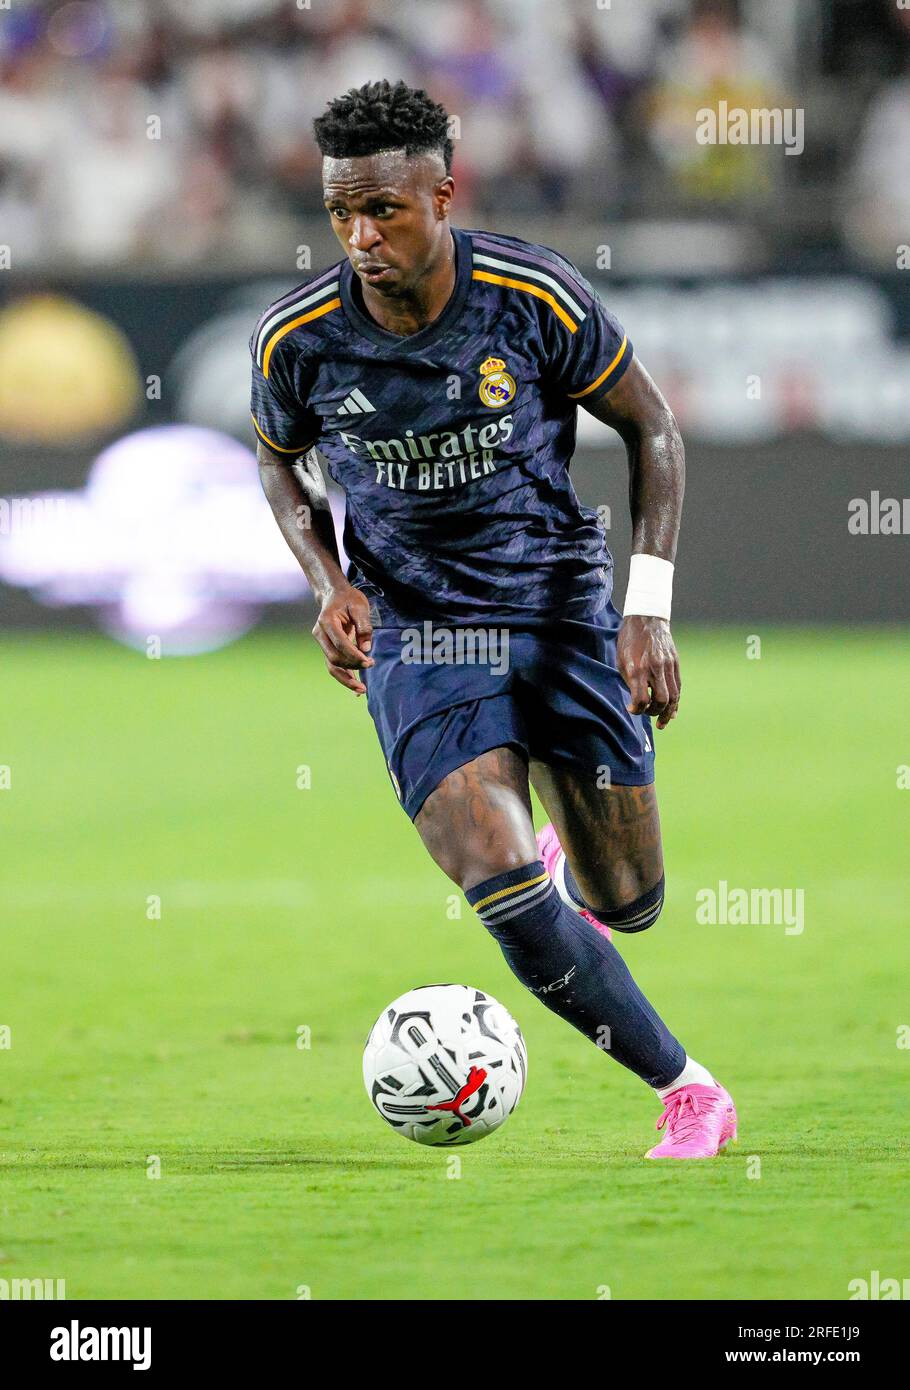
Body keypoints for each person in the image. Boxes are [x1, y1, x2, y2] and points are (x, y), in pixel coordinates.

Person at [252, 79, 736, 1158]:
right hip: (418, 631)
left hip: (558, 606)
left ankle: (575, 866)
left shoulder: (531, 295)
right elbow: (277, 459)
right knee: (503, 886)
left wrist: (646, 610)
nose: (360, 236)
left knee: (633, 897)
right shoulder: (301, 339)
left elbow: (651, 425)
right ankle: (687, 1087)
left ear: (443, 194)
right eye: (339, 214)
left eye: (383, 210)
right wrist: (329, 581)